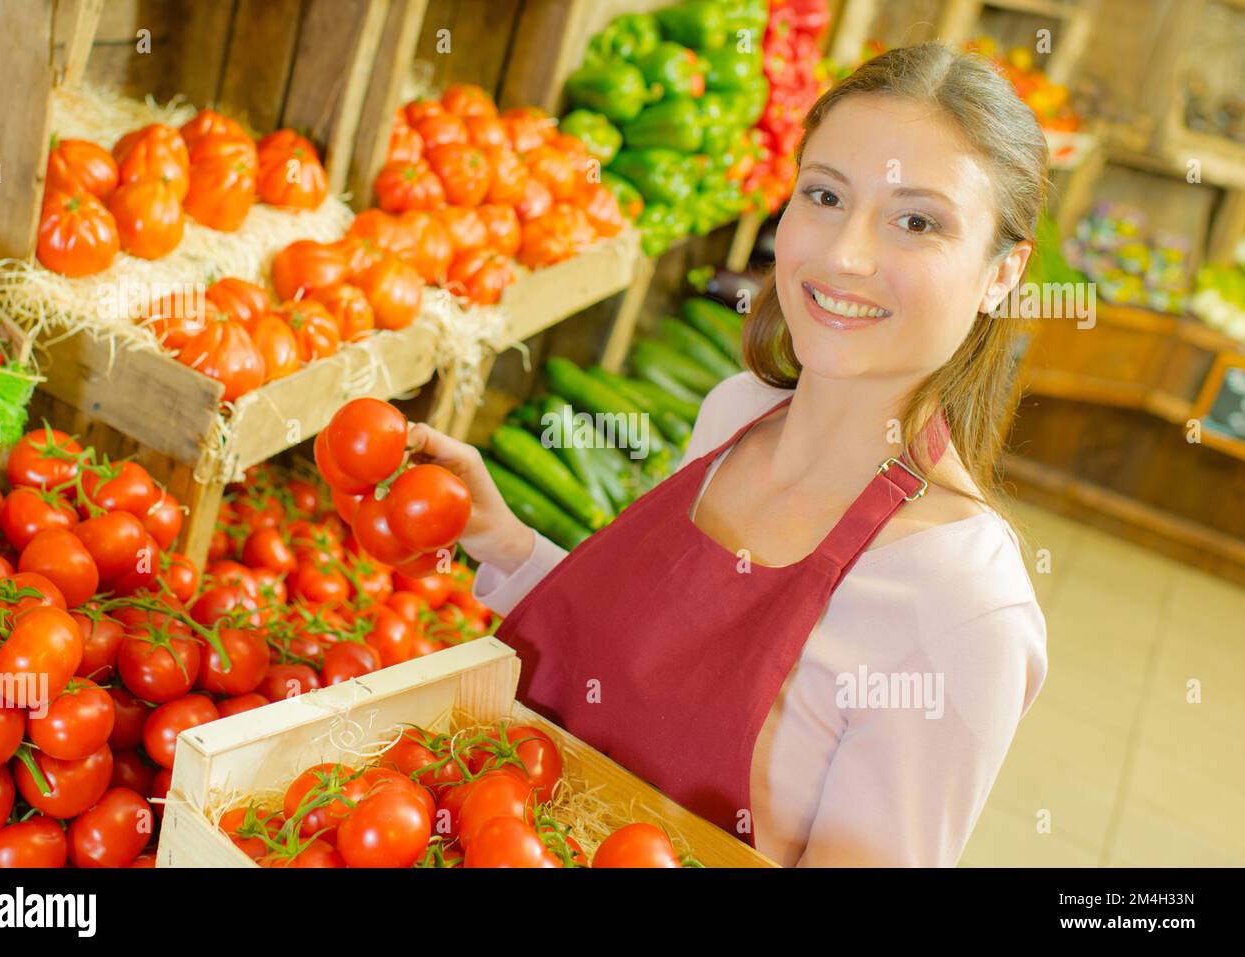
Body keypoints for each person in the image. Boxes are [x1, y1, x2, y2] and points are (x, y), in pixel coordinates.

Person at [406, 42, 1048, 867]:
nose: (845, 254)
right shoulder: (733, 414)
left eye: (917, 221)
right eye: (824, 195)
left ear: (1003, 273)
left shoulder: (960, 603)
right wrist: (506, 544)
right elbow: (639, 675)